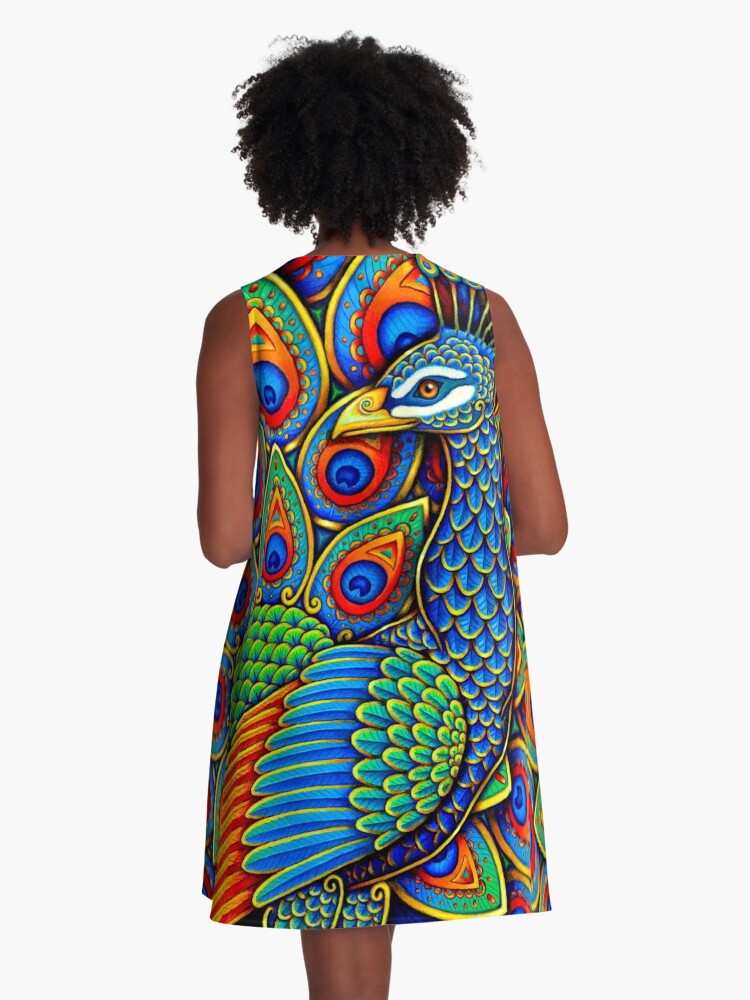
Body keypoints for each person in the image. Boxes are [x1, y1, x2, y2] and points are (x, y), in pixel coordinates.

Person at [196, 31, 567, 1000]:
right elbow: (546, 525)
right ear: (423, 164)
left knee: (334, 925)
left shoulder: (245, 319)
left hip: (304, 667)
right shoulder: (479, 317)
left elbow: (225, 538)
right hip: (456, 661)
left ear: (284, 163)